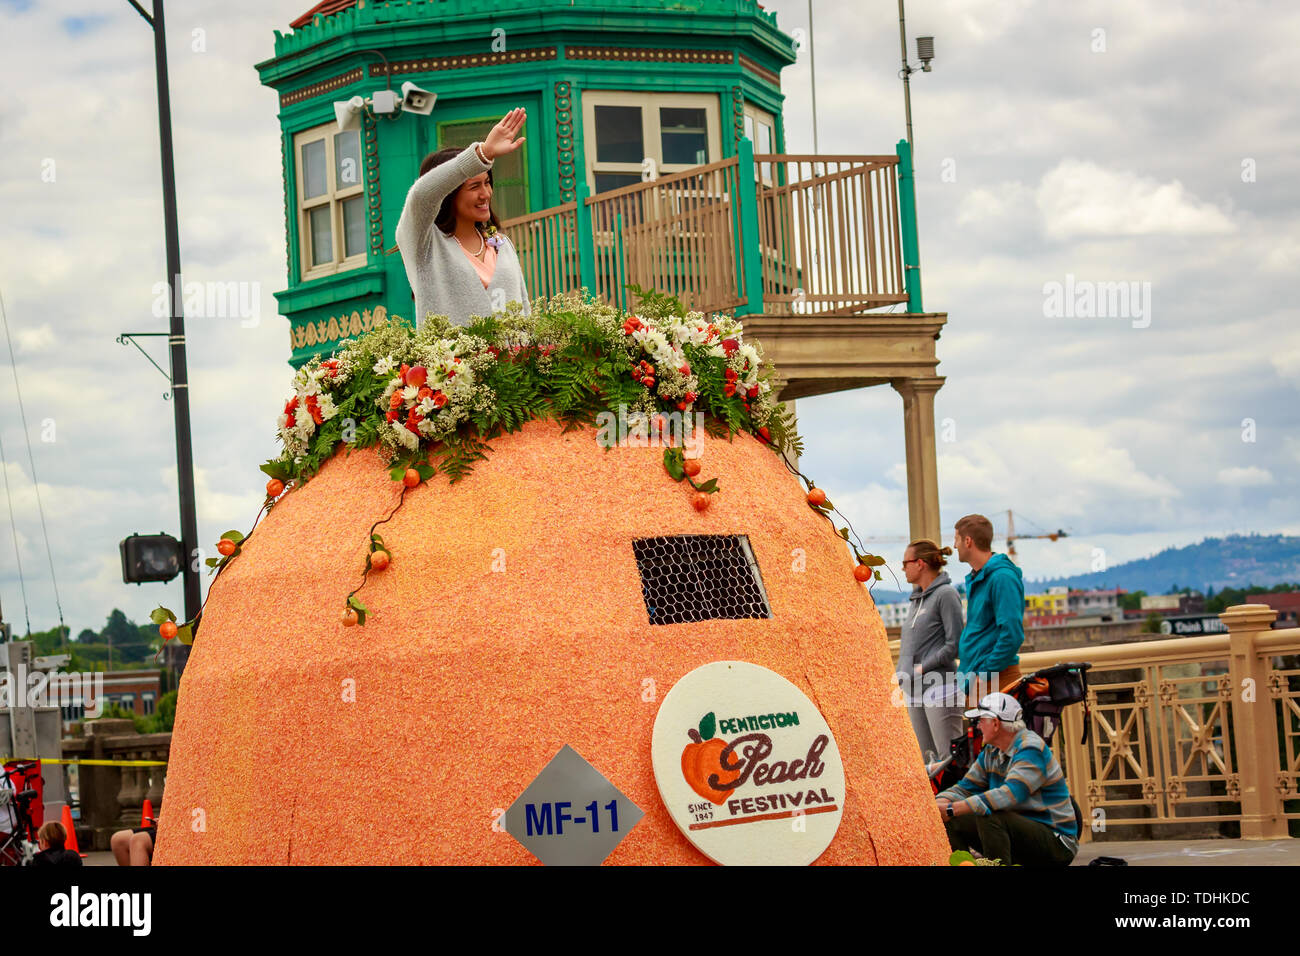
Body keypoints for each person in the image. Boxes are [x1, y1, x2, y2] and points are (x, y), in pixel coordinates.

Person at [395, 107, 531, 330]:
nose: (485, 194)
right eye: (474, 186)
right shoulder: (425, 245)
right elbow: (421, 195)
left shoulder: (502, 245)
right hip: (450, 365)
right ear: (447, 194)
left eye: (487, 183)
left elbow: (525, 314)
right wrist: (482, 154)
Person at [936, 692, 1078, 866]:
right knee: (949, 820)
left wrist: (952, 809)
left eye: (981, 720)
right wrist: (938, 805)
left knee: (989, 814)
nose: (978, 726)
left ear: (995, 723)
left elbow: (1009, 795)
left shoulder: (1031, 748)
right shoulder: (991, 750)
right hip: (1019, 833)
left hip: (1057, 843)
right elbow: (966, 787)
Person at [896, 538, 965, 765]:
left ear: (921, 563)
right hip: (913, 689)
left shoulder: (946, 595)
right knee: (926, 760)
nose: (903, 568)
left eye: (906, 562)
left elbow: (954, 644)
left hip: (939, 687)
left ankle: (953, 800)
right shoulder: (916, 600)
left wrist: (922, 667)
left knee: (948, 758)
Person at [953, 513, 1025, 704]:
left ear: (968, 541)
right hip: (979, 681)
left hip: (994, 680)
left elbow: (1012, 635)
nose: (954, 546)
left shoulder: (1001, 577)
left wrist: (983, 674)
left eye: (956, 540)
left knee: (998, 734)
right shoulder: (980, 577)